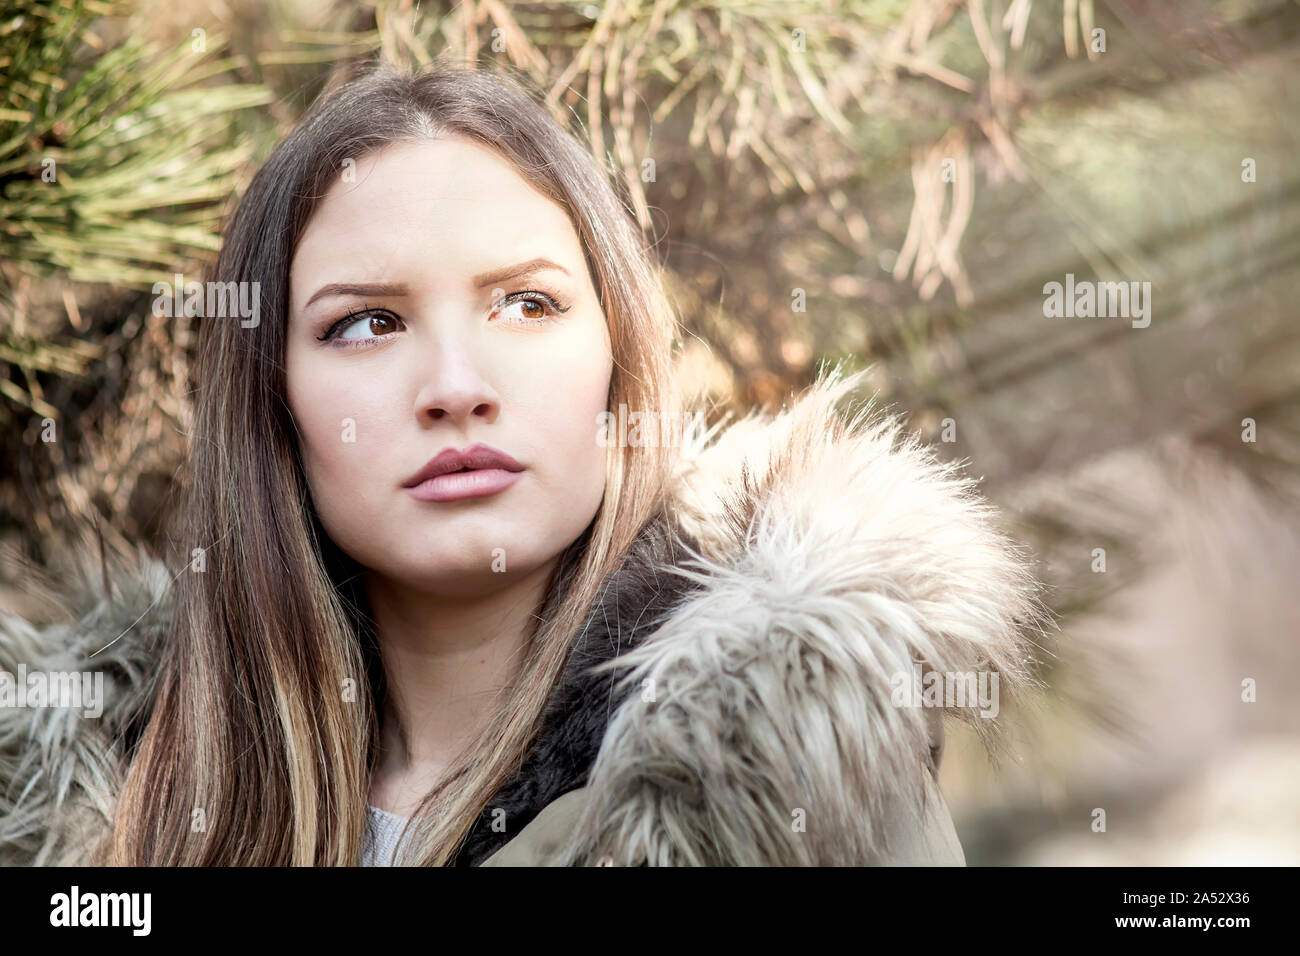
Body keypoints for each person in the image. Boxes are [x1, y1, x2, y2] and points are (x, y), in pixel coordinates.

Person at [0, 63, 1050, 867]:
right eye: (367, 322)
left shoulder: (789, 773)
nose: (456, 382)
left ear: (617, 361)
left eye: (527, 303)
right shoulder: (90, 808)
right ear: (271, 404)